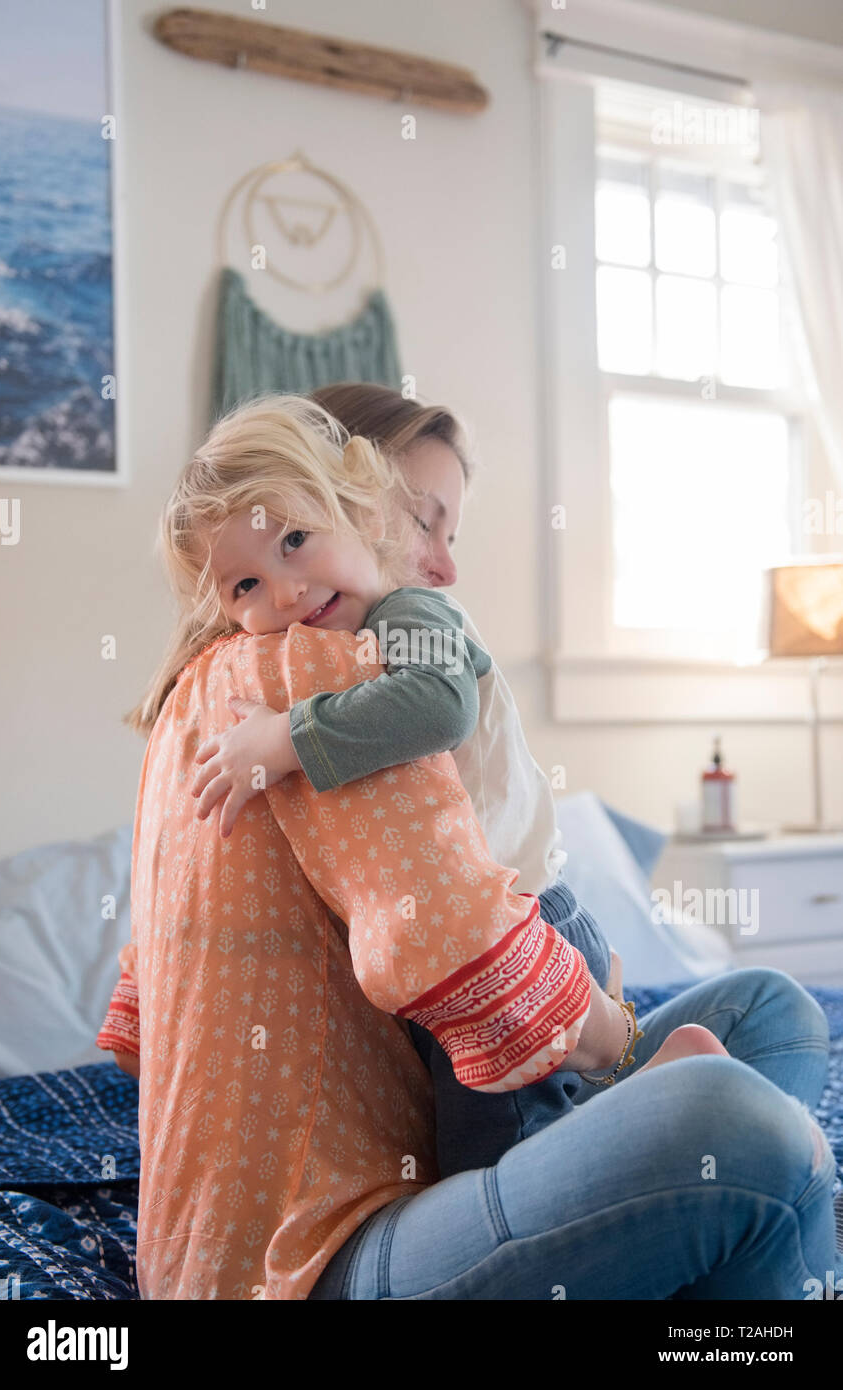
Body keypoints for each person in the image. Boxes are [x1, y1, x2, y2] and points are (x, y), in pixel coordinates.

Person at [103, 391, 840, 1300]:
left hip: (211, 1239)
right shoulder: (317, 666)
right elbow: (442, 934)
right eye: (423, 521)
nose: (439, 567)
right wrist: (608, 1038)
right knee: (733, 1122)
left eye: (296, 545)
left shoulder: (190, 701)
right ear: (364, 502)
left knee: (775, 1010)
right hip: (302, 1257)